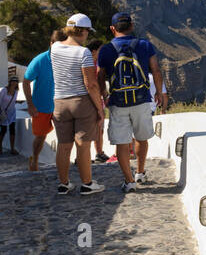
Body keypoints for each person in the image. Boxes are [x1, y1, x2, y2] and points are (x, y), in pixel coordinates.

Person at [96, 11, 166, 192]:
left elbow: (100, 76)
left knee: (121, 143)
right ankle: (140, 172)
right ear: (132, 26)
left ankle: (129, 181)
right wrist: (158, 92)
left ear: (112, 29)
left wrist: (104, 96)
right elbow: (156, 70)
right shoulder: (145, 45)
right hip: (142, 99)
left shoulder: (106, 49)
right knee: (141, 138)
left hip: (118, 102)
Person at [50, 14, 106, 195]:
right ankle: (87, 183)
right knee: (83, 145)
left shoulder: (55, 48)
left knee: (64, 145)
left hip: (59, 102)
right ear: (82, 31)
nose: (88, 35)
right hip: (81, 102)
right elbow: (90, 84)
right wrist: (99, 108)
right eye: (88, 31)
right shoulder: (84, 53)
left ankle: (64, 183)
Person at [22, 29, 65, 172]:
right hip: (41, 107)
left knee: (65, 136)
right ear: (51, 43)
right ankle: (35, 158)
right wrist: (30, 104)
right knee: (41, 137)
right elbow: (26, 81)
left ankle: (63, 163)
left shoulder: (66, 59)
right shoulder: (39, 60)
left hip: (61, 105)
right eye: (57, 44)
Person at [86, 36, 115, 165]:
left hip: (97, 101)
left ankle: (99, 153)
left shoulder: (96, 64)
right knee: (90, 129)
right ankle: (88, 155)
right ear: (93, 51)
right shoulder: (88, 65)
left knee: (99, 129)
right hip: (91, 101)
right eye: (100, 50)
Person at [0, 77, 20, 154]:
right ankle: (0, 146)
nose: (14, 83)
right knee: (3, 130)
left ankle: (12, 148)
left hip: (12, 113)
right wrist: (0, 111)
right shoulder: (4, 90)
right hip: (3, 113)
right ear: (10, 82)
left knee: (12, 130)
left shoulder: (16, 91)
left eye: (16, 81)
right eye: (13, 81)